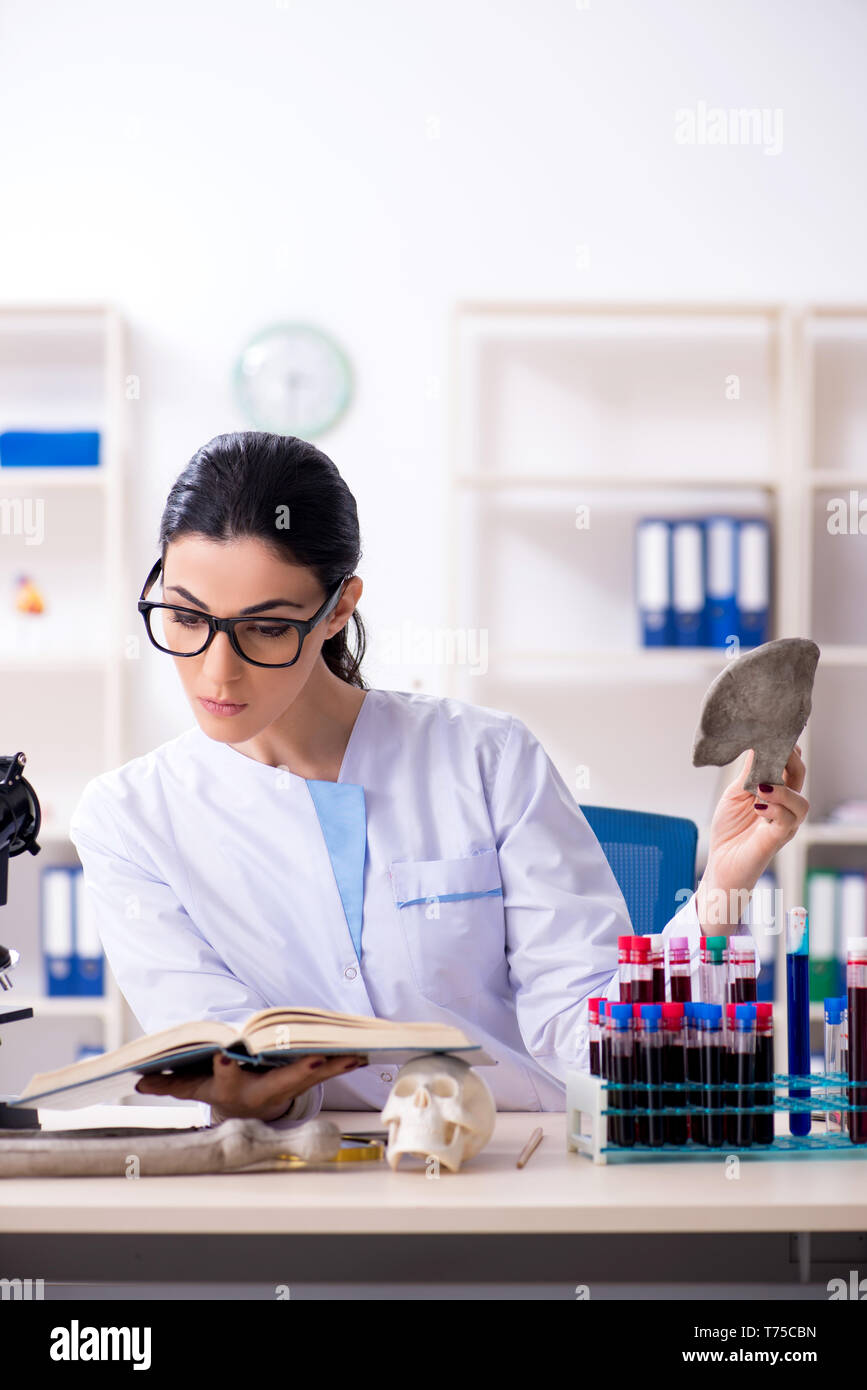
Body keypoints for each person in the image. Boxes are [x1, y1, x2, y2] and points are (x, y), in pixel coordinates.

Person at [69, 432, 809, 1129]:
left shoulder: (485, 758)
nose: (214, 669)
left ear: (337, 610)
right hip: (307, 1174)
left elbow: (583, 1035)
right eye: (186, 617)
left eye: (266, 628)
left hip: (524, 1160)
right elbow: (221, 1050)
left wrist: (722, 887)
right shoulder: (128, 818)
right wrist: (242, 1087)